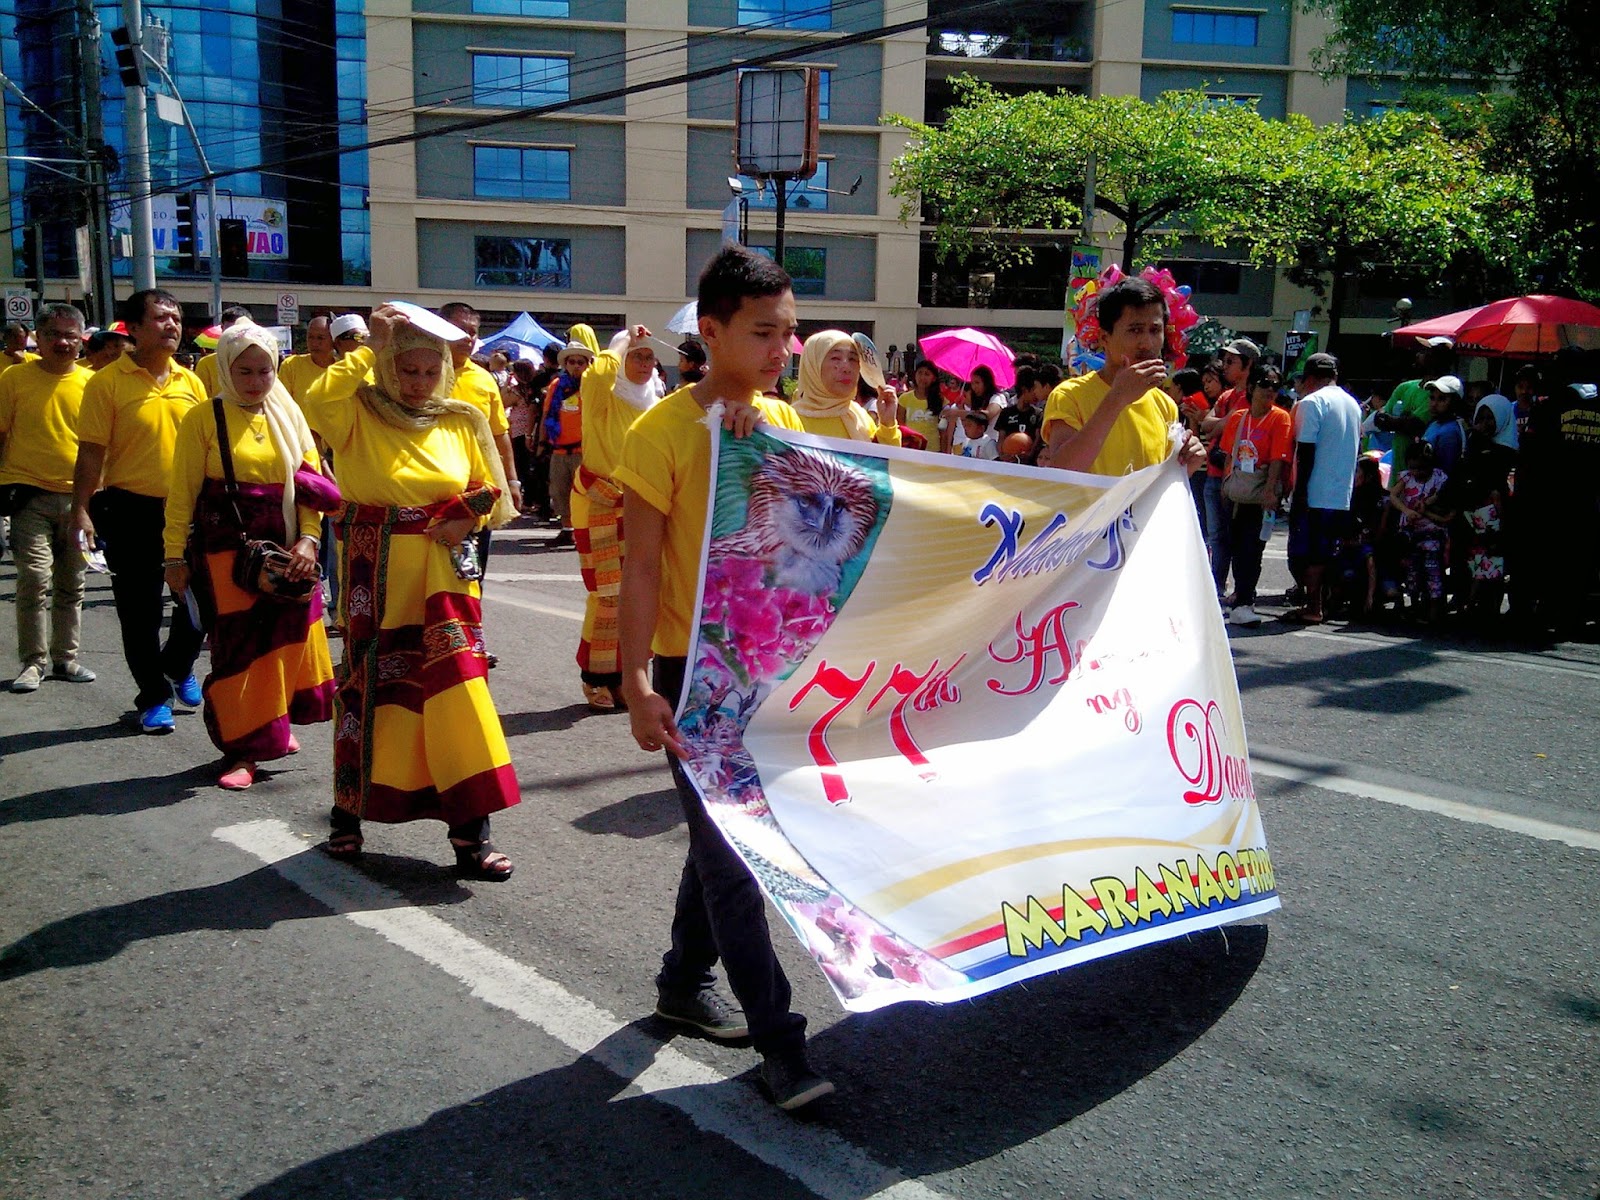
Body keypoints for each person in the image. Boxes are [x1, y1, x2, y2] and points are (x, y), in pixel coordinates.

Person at [617, 244, 829, 1113]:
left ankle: (680, 980)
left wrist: (771, 452)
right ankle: (781, 1044)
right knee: (735, 854)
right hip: (693, 674)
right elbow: (637, 569)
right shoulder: (660, 432)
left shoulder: (781, 419)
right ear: (710, 333)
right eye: (764, 333)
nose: (783, 348)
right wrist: (635, 680)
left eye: (789, 331)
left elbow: (822, 539)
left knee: (719, 842)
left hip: (770, 667)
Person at [301, 303, 520, 877]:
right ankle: (347, 817)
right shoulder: (355, 410)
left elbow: (491, 488)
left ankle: (470, 837)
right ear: (387, 366)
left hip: (444, 574)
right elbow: (316, 403)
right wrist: (372, 344)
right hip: (375, 570)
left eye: (429, 372)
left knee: (455, 691)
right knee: (369, 689)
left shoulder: (462, 417)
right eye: (407, 370)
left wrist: (462, 514)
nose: (419, 383)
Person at [161, 323, 337, 789]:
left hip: (287, 550)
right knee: (239, 652)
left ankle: (273, 725)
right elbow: (181, 494)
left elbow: (309, 487)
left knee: (286, 642)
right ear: (224, 369)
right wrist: (173, 558)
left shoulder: (289, 415)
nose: (256, 381)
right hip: (226, 554)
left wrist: (309, 539)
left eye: (265, 370)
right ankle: (243, 751)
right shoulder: (203, 418)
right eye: (244, 371)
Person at [71, 289, 207, 733]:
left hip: (188, 510)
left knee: (198, 603)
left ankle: (178, 665)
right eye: (161, 317)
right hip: (131, 509)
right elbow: (91, 453)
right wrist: (82, 510)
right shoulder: (106, 383)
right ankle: (152, 697)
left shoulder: (192, 382)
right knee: (140, 611)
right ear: (134, 327)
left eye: (176, 317)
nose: (172, 325)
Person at [0, 304, 97, 692]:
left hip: (79, 501)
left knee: (73, 582)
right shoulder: (13, 379)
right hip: (29, 495)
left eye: (71, 336)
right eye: (53, 334)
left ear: (80, 341)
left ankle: (65, 659)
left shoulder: (92, 383)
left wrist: (90, 503)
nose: (62, 342)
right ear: (37, 339)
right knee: (34, 578)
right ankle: (33, 662)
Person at [572, 325, 665, 711]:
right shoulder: (601, 396)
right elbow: (598, 371)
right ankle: (596, 678)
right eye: (635, 356)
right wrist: (622, 339)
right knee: (608, 595)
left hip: (644, 502)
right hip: (601, 499)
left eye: (648, 356)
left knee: (644, 594)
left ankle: (631, 677)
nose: (643, 364)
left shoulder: (657, 402)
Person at [1038, 277, 1206, 476]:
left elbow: (1157, 485)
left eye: (1155, 330)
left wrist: (1186, 466)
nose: (1146, 343)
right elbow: (1062, 472)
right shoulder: (1070, 395)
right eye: (1135, 330)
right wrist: (1117, 398)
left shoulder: (1165, 405)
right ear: (1104, 338)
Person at [1284, 352, 1364, 624]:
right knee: (1330, 552)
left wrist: (1299, 494)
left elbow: (1305, 453)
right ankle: (1325, 604)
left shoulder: (1311, 403)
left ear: (1309, 379)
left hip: (1315, 494)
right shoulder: (1353, 405)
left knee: (1307, 555)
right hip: (1341, 495)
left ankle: (1313, 607)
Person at [1216, 363, 1293, 627]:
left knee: (1253, 549)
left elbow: (1277, 459)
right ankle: (1239, 597)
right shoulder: (1239, 418)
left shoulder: (1280, 417)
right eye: (1264, 384)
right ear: (1251, 387)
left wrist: (1271, 491)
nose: (1270, 390)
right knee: (1235, 546)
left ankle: (1245, 601)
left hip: (1261, 492)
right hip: (1237, 490)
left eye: (1275, 385)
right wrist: (1225, 486)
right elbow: (1230, 455)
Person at [1449, 394, 1519, 626]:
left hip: (1493, 515)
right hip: (1468, 511)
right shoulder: (1473, 442)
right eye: (1482, 417)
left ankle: (1488, 611)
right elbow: (1465, 469)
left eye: (1492, 418)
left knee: (1491, 561)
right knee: (1466, 559)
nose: (1487, 423)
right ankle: (1464, 606)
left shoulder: (1507, 449)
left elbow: (1490, 475)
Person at [1199, 339, 1259, 592]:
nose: (1225, 366)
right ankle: (1217, 586)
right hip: (1214, 473)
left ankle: (1238, 590)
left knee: (1236, 537)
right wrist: (1227, 420)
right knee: (1215, 536)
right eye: (1225, 361)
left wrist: (1221, 422)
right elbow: (1205, 425)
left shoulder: (1255, 397)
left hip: (1238, 477)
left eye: (1231, 361)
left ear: (1248, 365)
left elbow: (1218, 425)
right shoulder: (1227, 395)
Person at [790, 330, 900, 445]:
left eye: (853, 359)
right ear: (812, 365)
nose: (847, 367)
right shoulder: (789, 420)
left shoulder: (860, 417)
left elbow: (888, 461)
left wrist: (887, 424)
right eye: (835, 358)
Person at [544, 331, 598, 548]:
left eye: (580, 362)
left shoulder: (592, 385)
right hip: (558, 449)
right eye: (572, 362)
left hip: (582, 450)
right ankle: (567, 530)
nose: (576, 366)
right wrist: (539, 441)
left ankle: (584, 532)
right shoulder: (557, 386)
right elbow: (547, 413)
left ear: (587, 364)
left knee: (584, 494)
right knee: (559, 492)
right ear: (566, 364)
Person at [1389, 440, 1452, 624]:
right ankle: (1414, 606)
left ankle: (1433, 609)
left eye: (1422, 468)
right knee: (1412, 570)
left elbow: (1443, 496)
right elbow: (1393, 495)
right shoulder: (1407, 478)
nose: (1417, 473)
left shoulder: (1439, 478)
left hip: (1433, 531)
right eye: (1413, 468)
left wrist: (1427, 507)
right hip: (1411, 532)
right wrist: (1406, 511)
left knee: (1433, 571)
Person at [1375, 336, 1454, 475]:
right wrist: (1399, 421)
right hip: (1397, 472)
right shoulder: (1405, 387)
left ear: (1438, 358)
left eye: (1425, 351)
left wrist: (1397, 421)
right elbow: (1380, 419)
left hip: (1421, 477)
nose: (1418, 354)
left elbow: (1415, 425)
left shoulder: (1443, 393)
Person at [994, 363, 1054, 463]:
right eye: (1033, 390)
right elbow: (1001, 438)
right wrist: (1002, 454)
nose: (1035, 393)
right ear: (1024, 390)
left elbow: (1038, 439)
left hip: (1029, 463)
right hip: (1008, 462)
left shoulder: (1039, 414)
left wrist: (1029, 454)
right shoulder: (1006, 413)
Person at [193, 306, 254, 398]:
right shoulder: (206, 364)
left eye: (240, 330)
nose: (235, 335)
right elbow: (201, 399)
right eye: (230, 330)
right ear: (222, 328)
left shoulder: (261, 362)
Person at [278, 315, 339, 407]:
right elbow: (282, 404)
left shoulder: (343, 368)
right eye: (310, 337)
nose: (314, 343)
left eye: (320, 338)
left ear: (333, 339)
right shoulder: (291, 365)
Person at [1421, 375, 1468, 476]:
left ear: (1454, 402)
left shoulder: (1450, 432)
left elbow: (1444, 473)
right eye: (1432, 398)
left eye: (1441, 399)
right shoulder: (1434, 424)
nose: (1434, 404)